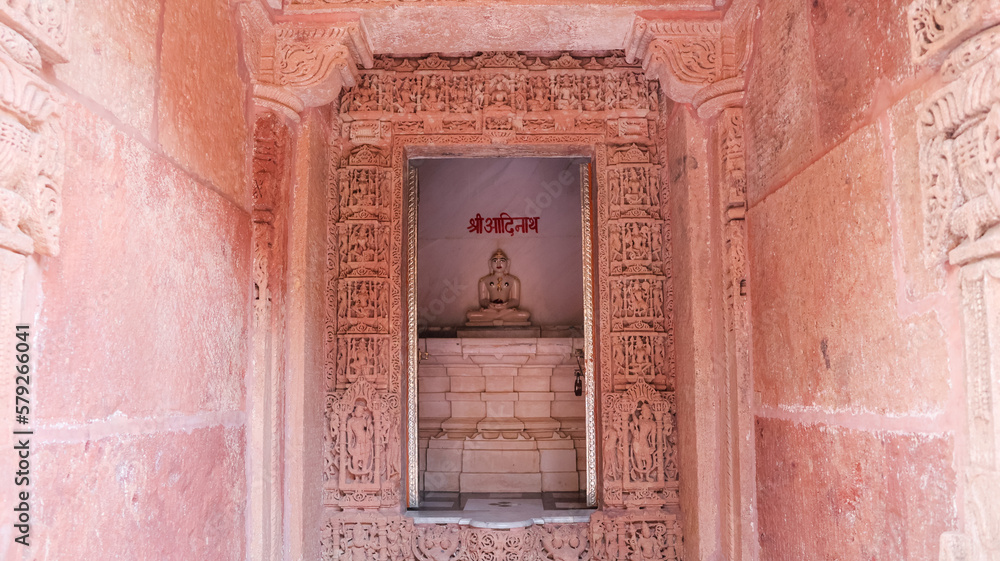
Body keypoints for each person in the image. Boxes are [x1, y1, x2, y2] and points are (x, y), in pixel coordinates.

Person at [465, 249, 531, 326]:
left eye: (502, 261)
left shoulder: (514, 280)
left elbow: (515, 300)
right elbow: (483, 300)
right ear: (490, 263)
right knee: (470, 315)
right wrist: (490, 305)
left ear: (508, 263)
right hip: (490, 310)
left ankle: (497, 316)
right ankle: (498, 316)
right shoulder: (484, 280)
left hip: (506, 310)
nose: (498, 264)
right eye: (495, 261)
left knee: (525, 314)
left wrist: (505, 306)